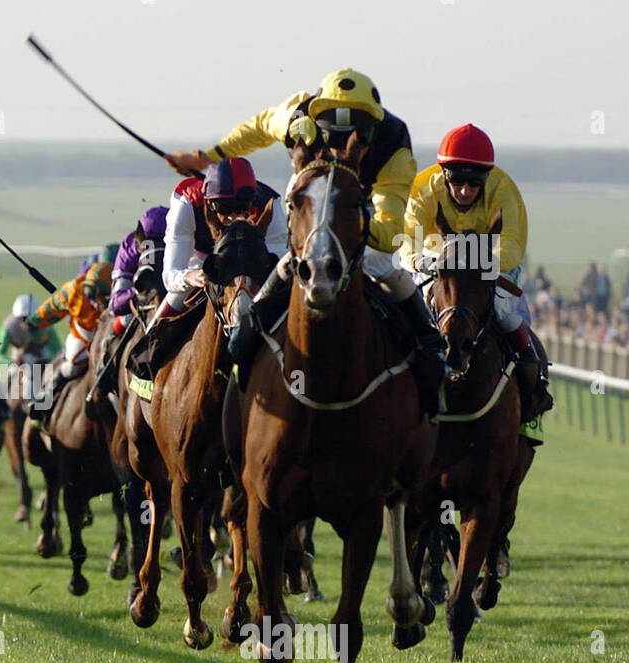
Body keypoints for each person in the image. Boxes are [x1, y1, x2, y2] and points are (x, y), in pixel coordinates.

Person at [166, 68, 445, 416]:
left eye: (355, 135)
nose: (342, 145)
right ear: (317, 122)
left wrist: (344, 221)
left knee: (383, 265)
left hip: (355, 217)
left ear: (372, 129)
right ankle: (242, 350)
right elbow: (259, 128)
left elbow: (388, 234)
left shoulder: (394, 147)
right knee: (287, 264)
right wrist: (208, 157)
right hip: (307, 207)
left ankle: (432, 350)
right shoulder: (298, 113)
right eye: (334, 135)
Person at [402, 123, 552, 421]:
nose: (464, 191)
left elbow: (512, 244)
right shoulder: (423, 188)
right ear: (444, 175)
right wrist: (418, 261)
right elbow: (407, 238)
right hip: (438, 258)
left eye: (473, 184)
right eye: (457, 182)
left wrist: (484, 262)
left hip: (487, 260)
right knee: (410, 311)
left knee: (505, 312)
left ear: (486, 178)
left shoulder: (504, 190)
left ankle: (533, 388)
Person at [150, 157, 286, 339]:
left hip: (252, 270)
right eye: (224, 207)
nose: (233, 217)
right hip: (202, 265)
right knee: (154, 331)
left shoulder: (270, 206)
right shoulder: (186, 204)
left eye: (243, 207)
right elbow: (170, 275)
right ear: (209, 204)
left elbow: (276, 270)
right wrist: (189, 277)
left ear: (252, 199)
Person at [26, 259, 111, 426]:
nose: (96, 301)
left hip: (107, 335)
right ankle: (45, 398)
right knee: (73, 365)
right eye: (92, 295)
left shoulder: (120, 290)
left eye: (102, 297)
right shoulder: (73, 290)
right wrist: (34, 322)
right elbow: (52, 307)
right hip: (82, 336)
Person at [108, 207, 169, 332]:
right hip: (141, 304)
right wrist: (140, 288)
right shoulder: (129, 249)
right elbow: (115, 305)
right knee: (122, 323)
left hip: (174, 290)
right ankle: (108, 349)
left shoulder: (185, 234)